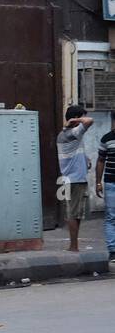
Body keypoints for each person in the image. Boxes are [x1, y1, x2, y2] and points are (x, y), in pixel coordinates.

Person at [57, 104, 94, 252]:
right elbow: (90, 121)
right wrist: (76, 121)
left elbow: (73, 151)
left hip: (71, 178)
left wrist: (85, 159)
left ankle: (74, 245)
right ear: (76, 118)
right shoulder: (73, 133)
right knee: (73, 213)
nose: (83, 119)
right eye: (81, 116)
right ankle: (73, 247)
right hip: (75, 179)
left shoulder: (64, 134)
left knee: (76, 213)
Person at [96, 115, 115, 260]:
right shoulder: (106, 138)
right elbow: (101, 160)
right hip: (111, 183)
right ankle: (112, 250)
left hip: (110, 183)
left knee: (111, 218)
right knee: (111, 217)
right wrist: (98, 182)